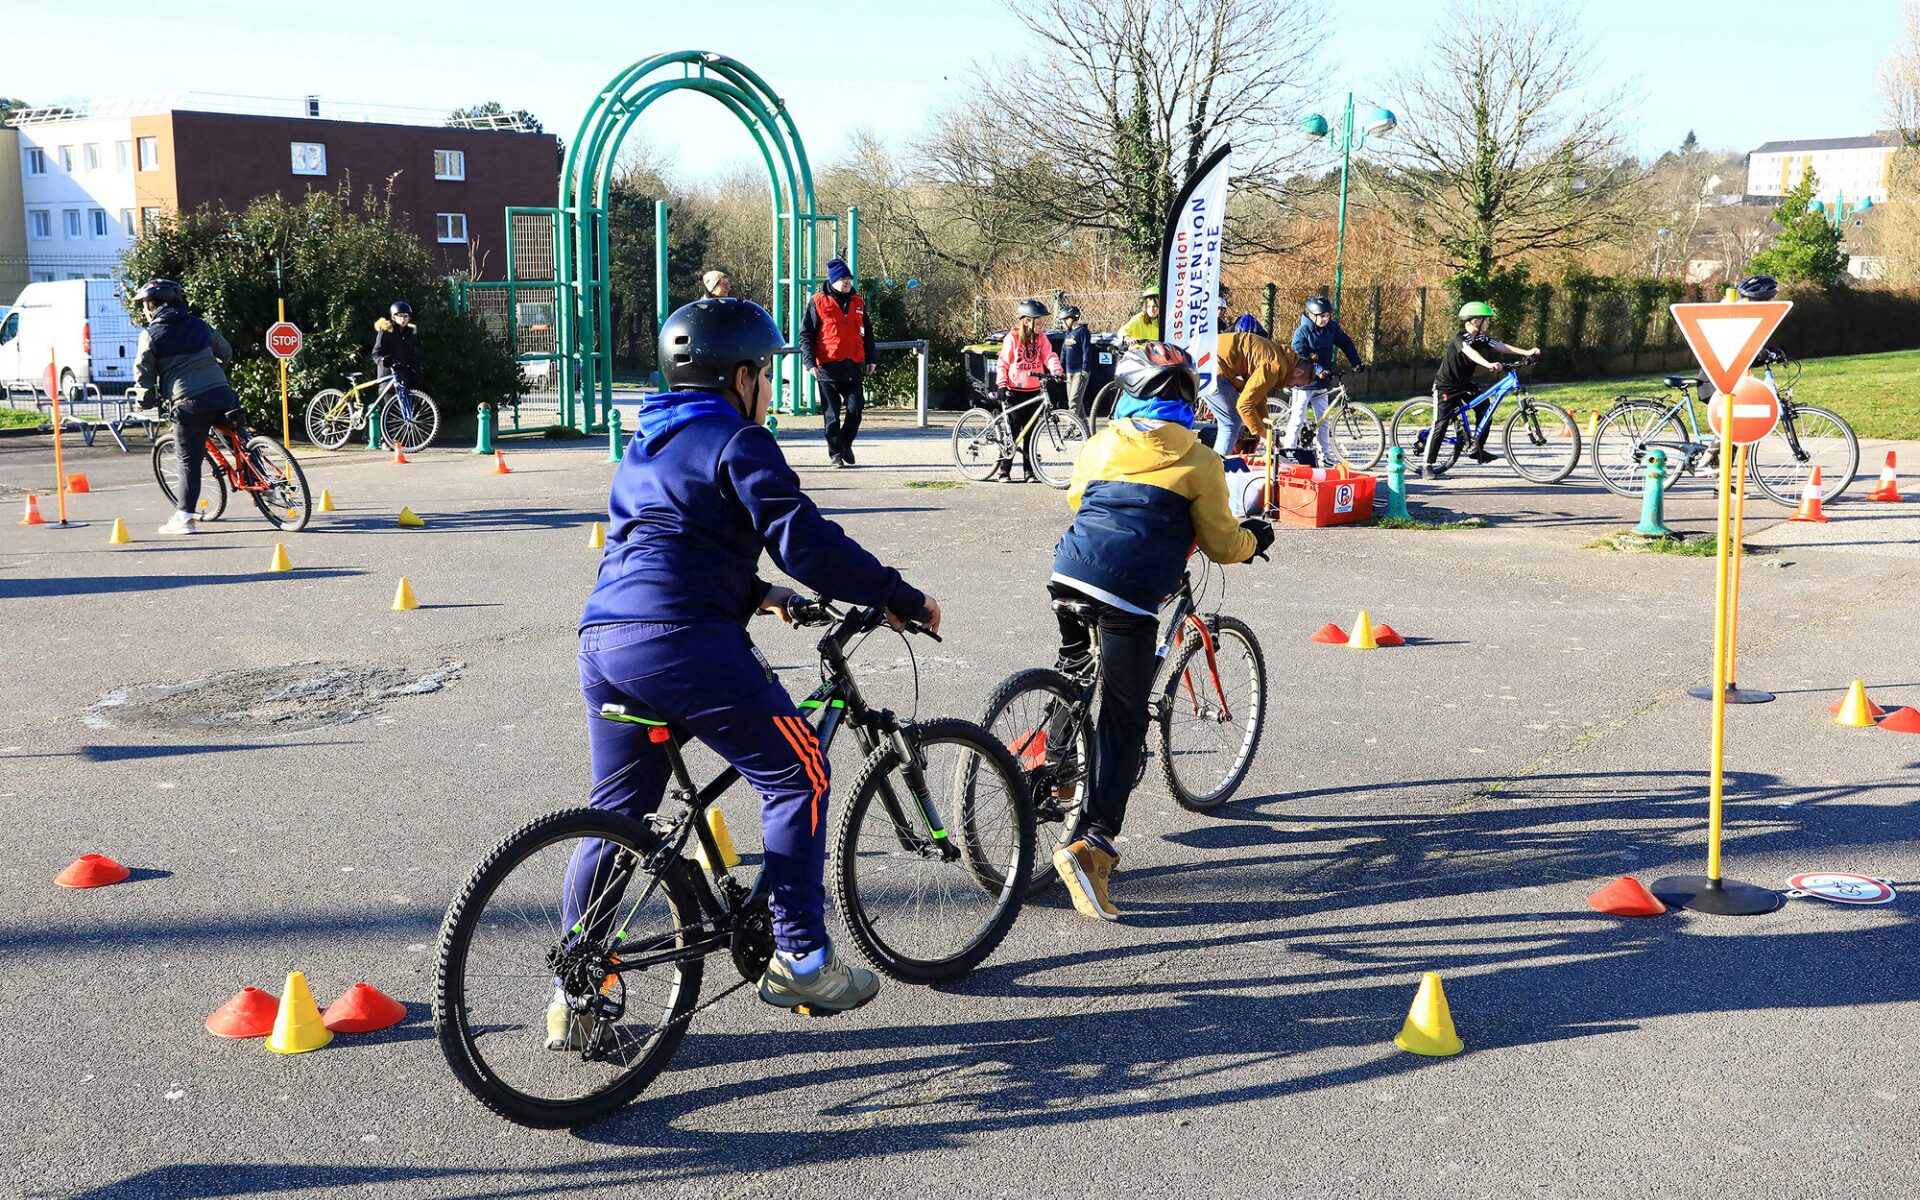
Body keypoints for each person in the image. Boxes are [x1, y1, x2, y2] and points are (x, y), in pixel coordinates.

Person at [560, 298, 941, 1045]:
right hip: (682, 642)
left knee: (619, 815)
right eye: (763, 372)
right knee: (799, 773)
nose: (766, 386)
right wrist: (901, 595)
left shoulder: (646, 443)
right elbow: (810, 546)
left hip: (605, 640)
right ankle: (801, 957)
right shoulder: (739, 439)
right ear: (739, 377)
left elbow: (664, 544)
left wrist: (757, 594)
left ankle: (580, 987)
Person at [1046, 342, 1273, 921]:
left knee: (1075, 670)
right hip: (1131, 590)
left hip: (1068, 570)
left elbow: (1078, 497)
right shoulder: (1201, 460)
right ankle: (1093, 844)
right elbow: (1222, 545)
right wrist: (1255, 541)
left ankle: (1057, 766)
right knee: (1124, 715)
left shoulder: (1101, 442)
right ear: (1187, 398)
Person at [129, 279, 244, 536]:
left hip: (188, 402)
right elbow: (225, 351)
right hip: (222, 392)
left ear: (152, 306)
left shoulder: (150, 335)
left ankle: (185, 519)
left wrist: (144, 401)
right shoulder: (199, 325)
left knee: (188, 460)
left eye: (146, 305)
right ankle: (266, 486)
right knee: (240, 441)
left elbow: (143, 374)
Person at [1424, 301, 1541, 478]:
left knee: (1485, 408)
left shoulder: (1480, 338)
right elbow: (1470, 352)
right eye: (1487, 320)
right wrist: (1488, 364)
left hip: (1465, 384)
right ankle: (1427, 465)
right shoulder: (1460, 339)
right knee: (1441, 423)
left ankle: (1476, 449)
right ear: (1476, 321)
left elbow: (1500, 346)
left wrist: (1526, 352)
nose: (1489, 323)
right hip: (1446, 386)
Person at [798, 257, 874, 468]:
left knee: (856, 409)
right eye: (842, 278)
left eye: (849, 277)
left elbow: (867, 333)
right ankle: (835, 455)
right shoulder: (818, 301)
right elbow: (806, 334)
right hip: (827, 368)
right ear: (832, 280)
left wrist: (872, 358)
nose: (847, 282)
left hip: (852, 365)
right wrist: (809, 362)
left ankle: (845, 443)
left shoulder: (858, 301)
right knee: (831, 416)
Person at [1286, 296, 1367, 466]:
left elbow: (1345, 343)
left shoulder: (1331, 328)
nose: (1325, 319)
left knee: (1324, 420)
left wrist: (1356, 362)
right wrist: (1320, 371)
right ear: (1311, 315)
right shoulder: (1302, 332)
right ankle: (1288, 453)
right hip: (1304, 383)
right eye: (1321, 316)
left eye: (1327, 315)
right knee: (1297, 419)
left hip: (1322, 383)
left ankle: (1325, 455)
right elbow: (1301, 357)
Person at [1205, 326, 1308, 459]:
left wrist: (1266, 431)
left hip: (1213, 359)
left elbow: (1258, 398)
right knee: (1231, 422)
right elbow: (1244, 405)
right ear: (1298, 372)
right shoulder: (1275, 365)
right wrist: (1263, 434)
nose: (1293, 387)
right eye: (1297, 384)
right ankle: (1217, 470)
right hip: (1212, 365)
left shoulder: (1281, 358)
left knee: (1231, 422)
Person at [991, 299, 1064, 482]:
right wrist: (1001, 384)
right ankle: (1004, 470)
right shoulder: (1013, 338)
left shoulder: (1041, 338)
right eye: (1038, 323)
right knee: (1013, 431)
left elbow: (1049, 355)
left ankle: (1029, 471)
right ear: (1026, 321)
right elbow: (1003, 363)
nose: (1041, 327)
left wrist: (1056, 371)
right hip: (1014, 390)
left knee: (1030, 433)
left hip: (1034, 390)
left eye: (1041, 323)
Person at [372, 300, 423, 397]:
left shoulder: (410, 333)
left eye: (406, 316)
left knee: (408, 409)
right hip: (388, 377)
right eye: (400, 316)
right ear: (393, 317)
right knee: (390, 409)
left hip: (405, 377)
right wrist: (383, 360)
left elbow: (412, 353)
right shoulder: (386, 332)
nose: (403, 319)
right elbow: (375, 353)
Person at [1058, 305, 1093, 426]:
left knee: (1073, 401)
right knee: (1076, 401)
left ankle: (1071, 428)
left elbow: (1086, 351)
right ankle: (1084, 427)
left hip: (1080, 371)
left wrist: (1085, 369)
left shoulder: (1082, 331)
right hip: (1069, 371)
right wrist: (1060, 368)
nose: (1063, 324)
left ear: (1070, 318)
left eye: (1063, 321)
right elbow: (1064, 351)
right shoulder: (1068, 333)